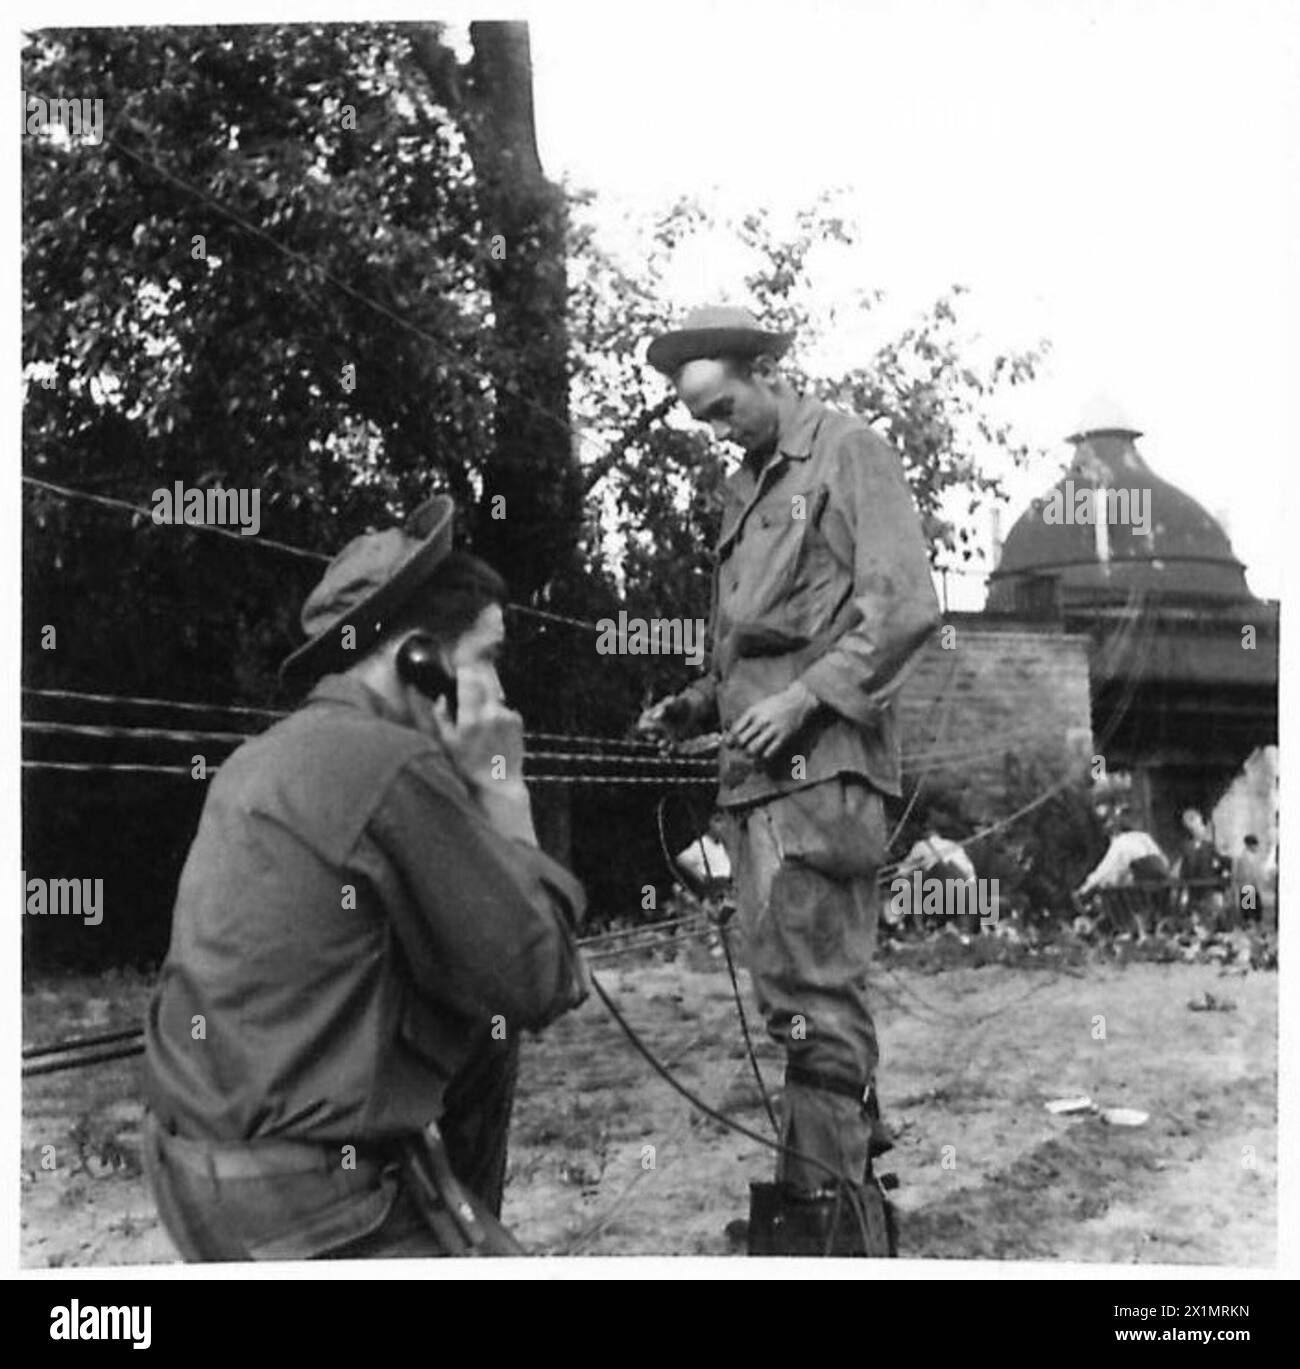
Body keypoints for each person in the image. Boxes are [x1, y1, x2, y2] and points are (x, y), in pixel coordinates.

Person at [143, 497, 589, 1261]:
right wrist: (503, 786)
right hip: (306, 1209)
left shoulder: (262, 757)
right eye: (488, 656)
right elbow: (540, 977)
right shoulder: (392, 764)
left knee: (482, 1038)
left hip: (194, 1184)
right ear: (422, 658)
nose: (501, 694)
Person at [637, 305, 941, 1255]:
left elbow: (902, 609)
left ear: (765, 370)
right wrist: (699, 703)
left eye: (723, 409)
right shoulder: (744, 491)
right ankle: (829, 1195)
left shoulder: (850, 453)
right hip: (756, 782)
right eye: (701, 423)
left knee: (814, 998)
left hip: (822, 778)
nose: (716, 433)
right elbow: (758, 646)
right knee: (796, 999)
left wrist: (806, 699)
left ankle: (828, 1226)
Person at [1231, 835, 1268, 927]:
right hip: (1247, 886)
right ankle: (1249, 925)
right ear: (1249, 845)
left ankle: (1255, 924)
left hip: (1253, 885)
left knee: (1256, 908)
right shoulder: (1243, 857)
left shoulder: (1254, 856)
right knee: (1249, 909)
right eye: (1254, 845)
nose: (1256, 847)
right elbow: (1240, 874)